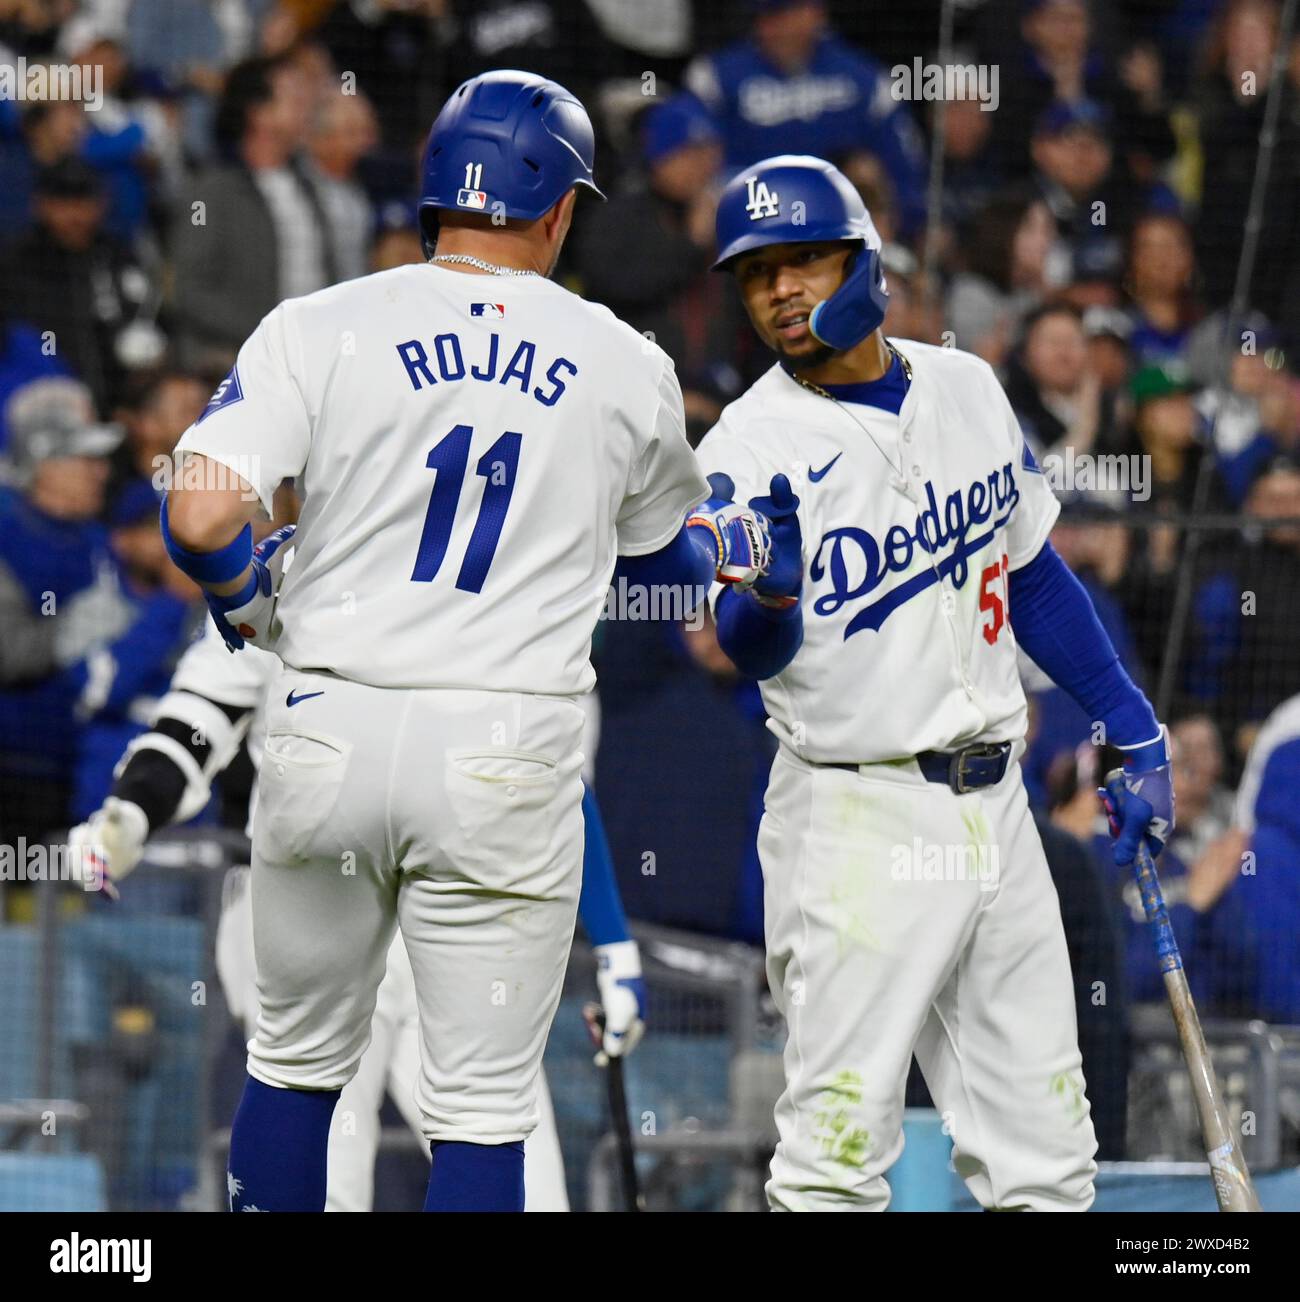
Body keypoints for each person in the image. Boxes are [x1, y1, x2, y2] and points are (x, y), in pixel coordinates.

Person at [159, 70, 766, 1213]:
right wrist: (727, 539)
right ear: (559, 209)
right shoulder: (622, 358)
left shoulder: (321, 323)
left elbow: (196, 514)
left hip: (328, 727)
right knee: (482, 1113)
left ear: (435, 191)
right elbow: (670, 572)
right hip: (501, 750)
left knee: (293, 1074)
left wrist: (248, 593)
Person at [696, 155, 1177, 1211]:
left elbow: (1035, 572)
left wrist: (1131, 725)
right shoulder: (748, 440)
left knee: (1048, 1164)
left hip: (998, 810)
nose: (779, 288)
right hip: (855, 813)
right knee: (832, 1168)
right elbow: (745, 642)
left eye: (802, 261)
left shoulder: (963, 385)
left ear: (864, 259)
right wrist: (768, 601)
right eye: (755, 272)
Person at [70, 592, 646, 1211]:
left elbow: (558, 787)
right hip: (316, 899)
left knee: (528, 1182)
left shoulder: (513, 578)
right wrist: (130, 811)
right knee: (331, 1172)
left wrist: (614, 943)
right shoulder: (292, 568)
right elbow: (195, 722)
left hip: (460, 904)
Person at [683, 0, 928, 234]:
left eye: (781, 16)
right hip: (751, 220)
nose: (769, 30)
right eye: (763, 18)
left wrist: (903, 218)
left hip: (841, 229)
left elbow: (904, 174)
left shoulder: (865, 79)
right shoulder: (717, 77)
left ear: (814, 13)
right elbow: (685, 157)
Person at [170, 54, 335, 371]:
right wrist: (268, 335)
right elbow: (190, 291)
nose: (309, 108)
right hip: (233, 367)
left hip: (308, 365)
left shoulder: (309, 189)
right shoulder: (210, 191)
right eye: (295, 98)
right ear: (258, 112)